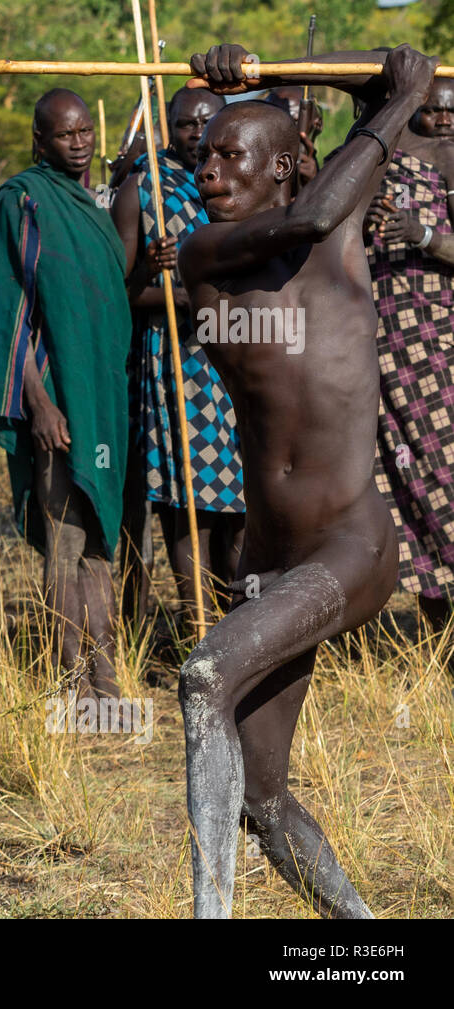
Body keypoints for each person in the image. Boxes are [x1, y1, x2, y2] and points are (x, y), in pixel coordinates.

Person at [177, 42, 436, 918]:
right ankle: (360, 942)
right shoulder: (206, 252)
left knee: (206, 675)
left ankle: (209, 914)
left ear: (287, 164)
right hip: (269, 554)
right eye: (202, 155)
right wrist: (393, 104)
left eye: (228, 154)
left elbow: (401, 72)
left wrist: (270, 68)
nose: (206, 171)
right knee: (261, 792)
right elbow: (305, 217)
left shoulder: (339, 222)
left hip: (350, 545)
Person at [0, 88, 131, 700]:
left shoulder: (94, 204)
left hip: (104, 394)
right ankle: (70, 677)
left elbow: (106, 296)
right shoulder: (22, 199)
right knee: (64, 534)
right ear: (39, 140)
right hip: (58, 398)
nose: (80, 141)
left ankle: (107, 673)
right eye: (66, 134)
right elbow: (6, 307)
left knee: (101, 531)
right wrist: (37, 402)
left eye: (86, 130)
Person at [111, 87, 244, 626]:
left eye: (207, 123)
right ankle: (199, 631)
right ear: (169, 127)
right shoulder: (144, 187)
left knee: (241, 505)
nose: (197, 134)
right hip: (177, 365)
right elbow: (119, 291)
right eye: (186, 124)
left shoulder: (242, 178)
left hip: (238, 360)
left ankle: (243, 628)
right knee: (188, 506)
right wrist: (152, 269)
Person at [362, 77, 454, 647]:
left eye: (452, 111)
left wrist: (421, 232)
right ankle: (438, 638)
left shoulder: (451, 161)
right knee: (410, 487)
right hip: (384, 342)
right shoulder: (383, 157)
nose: (443, 121)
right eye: (433, 110)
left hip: (441, 342)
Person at [264, 85, 324, 187]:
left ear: (317, 124)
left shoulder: (332, 169)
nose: (281, 132)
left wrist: (313, 184)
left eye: (293, 122)